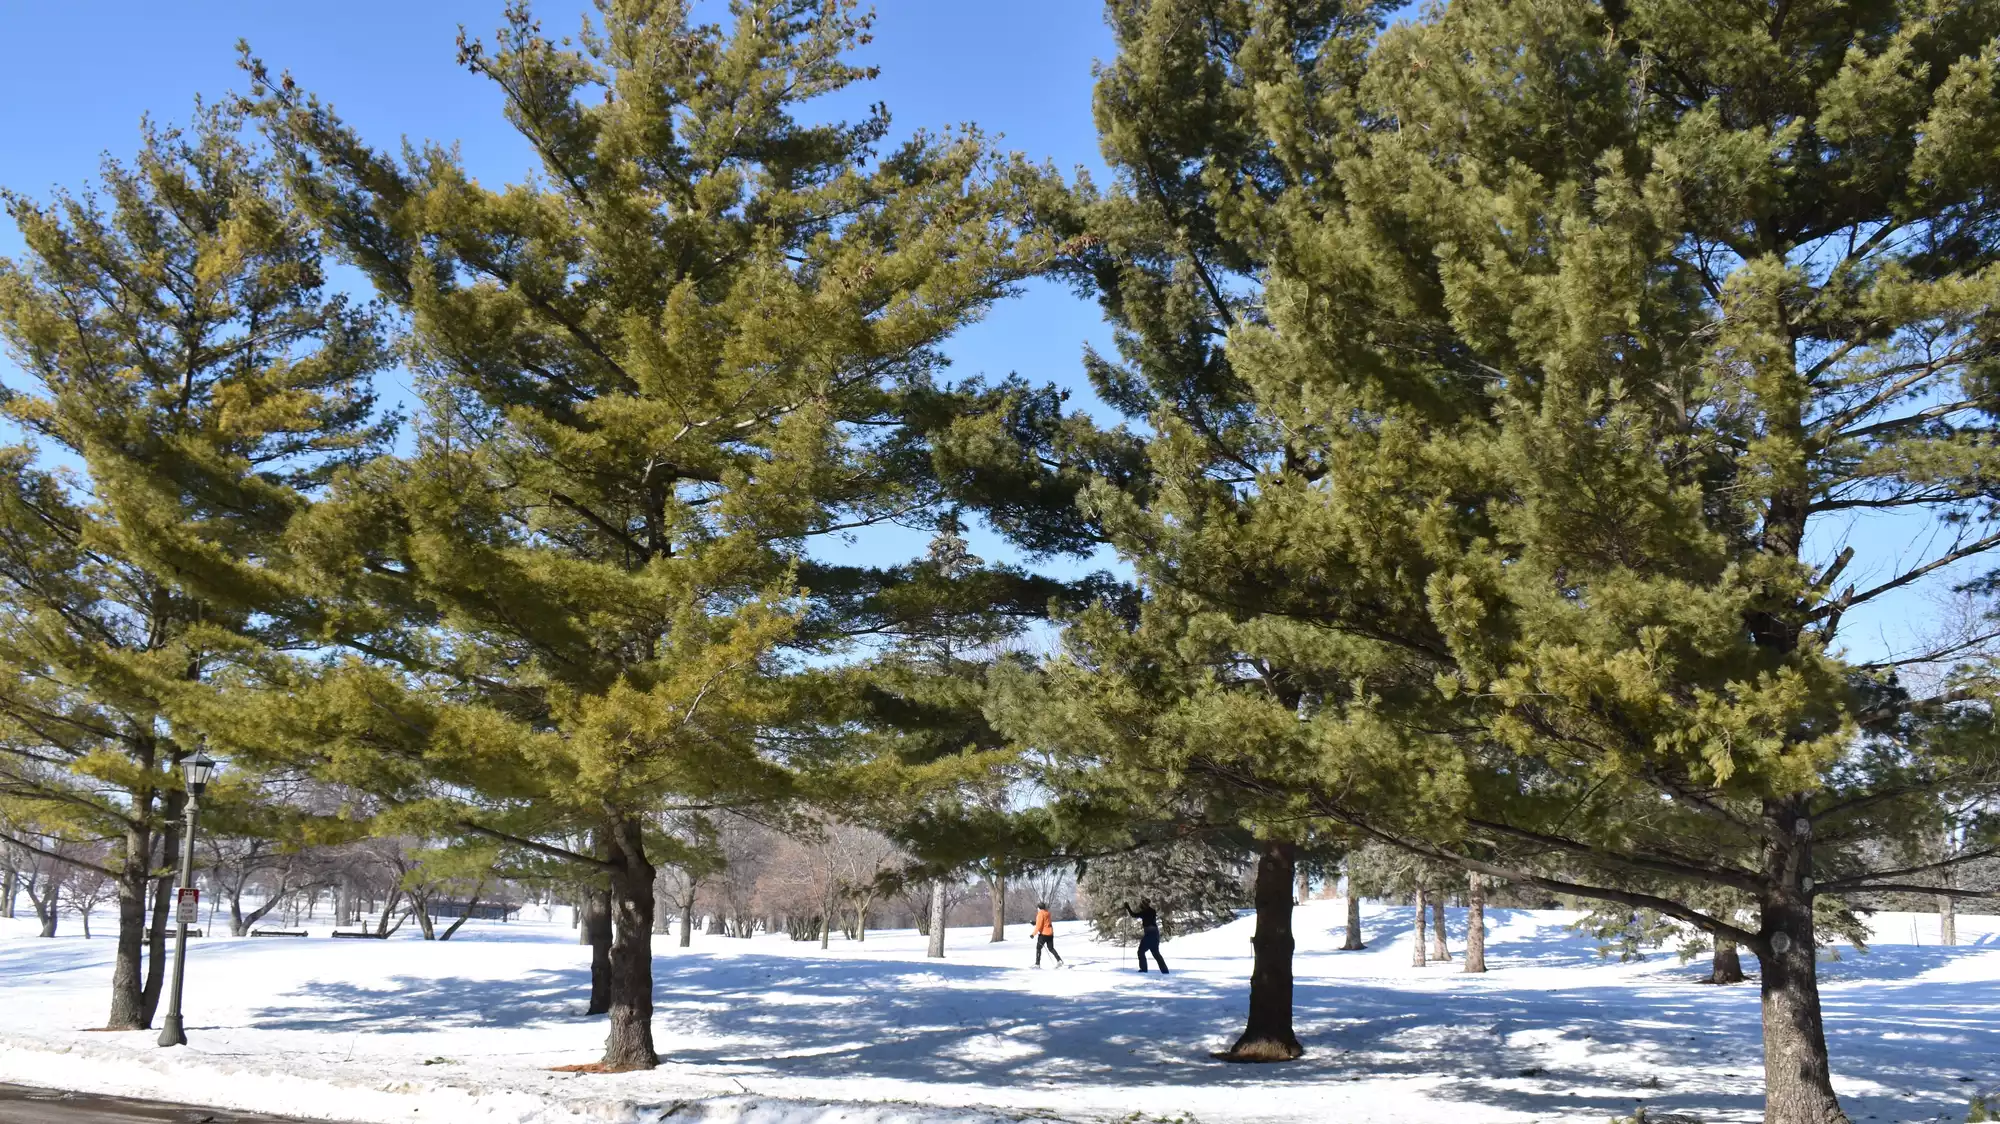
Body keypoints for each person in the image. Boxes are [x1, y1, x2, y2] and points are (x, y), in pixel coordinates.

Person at [1124, 898, 1167, 973]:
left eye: (1142, 904)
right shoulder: (1152, 911)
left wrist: (1128, 908)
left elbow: (1134, 915)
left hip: (1149, 934)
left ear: (1144, 905)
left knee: (1141, 951)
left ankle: (1144, 969)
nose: (1141, 906)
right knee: (1156, 953)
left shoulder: (1145, 912)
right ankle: (1165, 971)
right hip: (1155, 934)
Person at [1033, 901, 1064, 967]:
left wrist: (1033, 934)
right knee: (1051, 948)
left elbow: (1039, 926)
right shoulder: (1047, 913)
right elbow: (1044, 922)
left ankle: (1037, 964)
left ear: (1039, 908)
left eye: (1037, 907)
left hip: (1043, 934)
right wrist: (1035, 923)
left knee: (1038, 948)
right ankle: (1059, 960)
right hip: (1050, 933)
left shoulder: (1040, 914)